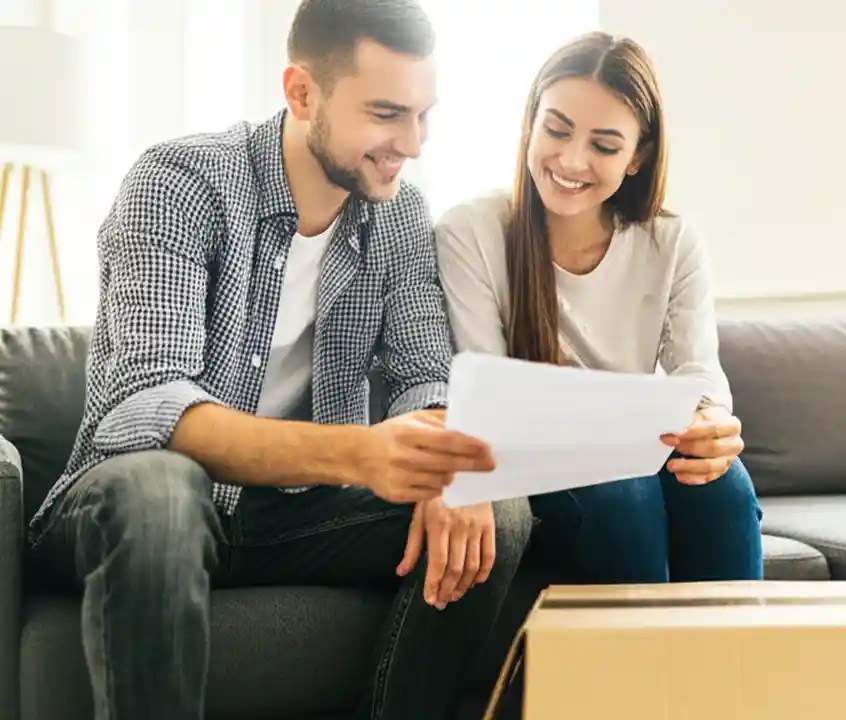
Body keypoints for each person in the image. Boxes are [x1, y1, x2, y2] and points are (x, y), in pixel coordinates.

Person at [25, 2, 530, 718]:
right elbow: (145, 405)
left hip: (290, 519)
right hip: (134, 506)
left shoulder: (403, 217)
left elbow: (423, 374)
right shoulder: (179, 184)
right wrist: (359, 454)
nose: (411, 143)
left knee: (494, 507)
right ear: (301, 92)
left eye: (424, 114)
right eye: (387, 113)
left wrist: (439, 459)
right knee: (164, 491)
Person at [435, 32, 763, 585]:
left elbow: (700, 375)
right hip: (531, 462)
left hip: (628, 453)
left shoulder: (671, 243)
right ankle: (630, 673)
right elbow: (486, 391)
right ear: (529, 124)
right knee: (622, 490)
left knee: (723, 484)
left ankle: (732, 670)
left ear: (637, 158)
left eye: (604, 146)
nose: (571, 160)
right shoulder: (472, 230)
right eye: (556, 130)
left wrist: (710, 422)